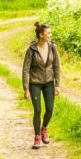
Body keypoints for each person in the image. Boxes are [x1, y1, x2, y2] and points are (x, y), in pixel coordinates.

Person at [21, 22, 61, 150]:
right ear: (41, 35)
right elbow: (25, 69)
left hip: (49, 82)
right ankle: (37, 137)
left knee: (49, 109)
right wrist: (26, 88)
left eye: (50, 32)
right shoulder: (31, 50)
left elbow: (56, 67)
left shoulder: (52, 47)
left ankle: (44, 128)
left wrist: (57, 85)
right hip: (35, 83)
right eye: (48, 32)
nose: (50, 34)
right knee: (37, 110)